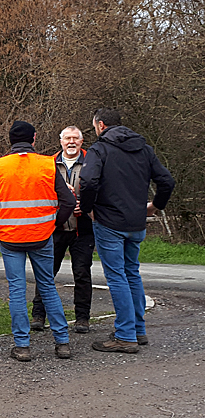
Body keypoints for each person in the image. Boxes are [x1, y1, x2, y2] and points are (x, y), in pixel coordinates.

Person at [80, 108, 175, 353]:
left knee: (117, 277)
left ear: (101, 125)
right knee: (132, 273)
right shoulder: (144, 149)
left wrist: (89, 209)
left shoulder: (99, 149)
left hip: (109, 222)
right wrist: (155, 206)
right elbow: (166, 181)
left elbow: (88, 181)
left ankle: (125, 335)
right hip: (136, 222)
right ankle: (137, 329)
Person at [0, 120, 76, 362]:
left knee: (16, 290)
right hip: (42, 237)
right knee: (47, 287)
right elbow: (67, 201)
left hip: (10, 238)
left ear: (10, 141)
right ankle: (62, 342)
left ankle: (22, 346)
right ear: (34, 139)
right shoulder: (48, 164)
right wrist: (53, 224)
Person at [30, 126, 95, 335]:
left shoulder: (91, 161)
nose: (71, 142)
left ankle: (82, 318)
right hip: (54, 227)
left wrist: (85, 206)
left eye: (75, 138)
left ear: (82, 142)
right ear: (61, 141)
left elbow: (98, 189)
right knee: (46, 272)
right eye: (67, 138)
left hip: (82, 229)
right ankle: (38, 315)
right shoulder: (48, 163)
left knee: (82, 273)